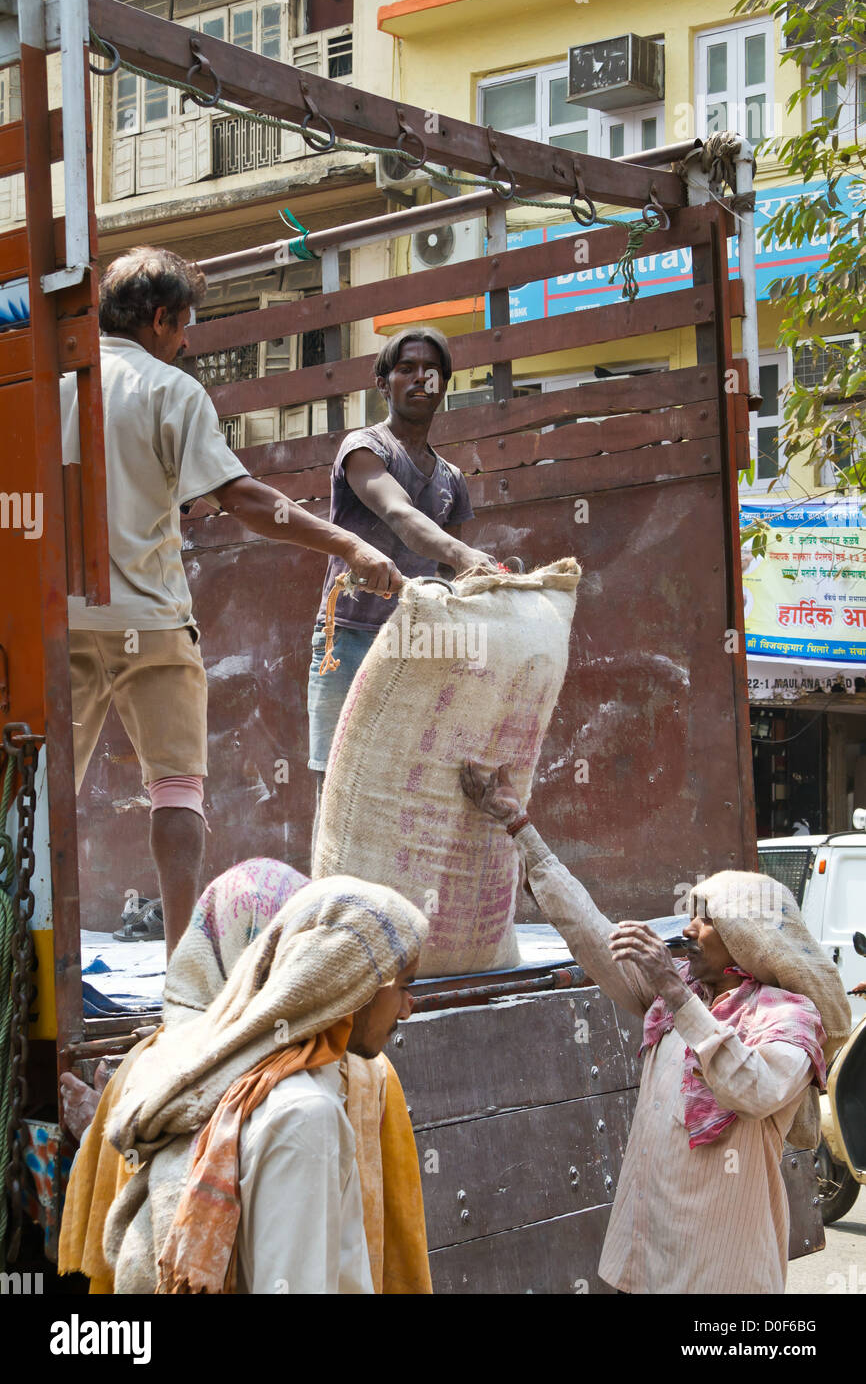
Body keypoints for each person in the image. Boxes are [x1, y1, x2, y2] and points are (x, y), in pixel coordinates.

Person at [62, 248, 399, 954]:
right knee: (177, 788)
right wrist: (349, 547)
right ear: (160, 319)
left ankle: (38, 958)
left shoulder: (51, 382)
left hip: (59, 622)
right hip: (149, 618)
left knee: (43, 796)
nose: (185, 341)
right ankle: (183, 968)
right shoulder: (170, 390)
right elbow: (243, 498)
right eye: (183, 326)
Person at [460, 761, 852, 1295]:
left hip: (720, 1278)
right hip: (644, 1259)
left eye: (707, 919)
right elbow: (590, 933)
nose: (688, 929)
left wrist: (674, 991)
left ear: (749, 939)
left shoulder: (788, 1018)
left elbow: (751, 1089)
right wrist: (519, 829)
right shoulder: (677, 999)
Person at [59, 859, 432, 1295]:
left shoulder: (162, 1068)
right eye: (405, 986)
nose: (410, 1007)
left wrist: (92, 1133)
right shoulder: (320, 1105)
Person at [307, 327, 495, 792]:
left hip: (419, 646)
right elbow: (397, 512)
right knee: (340, 785)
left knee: (409, 781)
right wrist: (464, 553)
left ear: (443, 386)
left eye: (430, 371)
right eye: (405, 368)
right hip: (348, 639)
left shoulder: (451, 478)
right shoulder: (365, 449)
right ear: (382, 383)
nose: (419, 378)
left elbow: (456, 585)